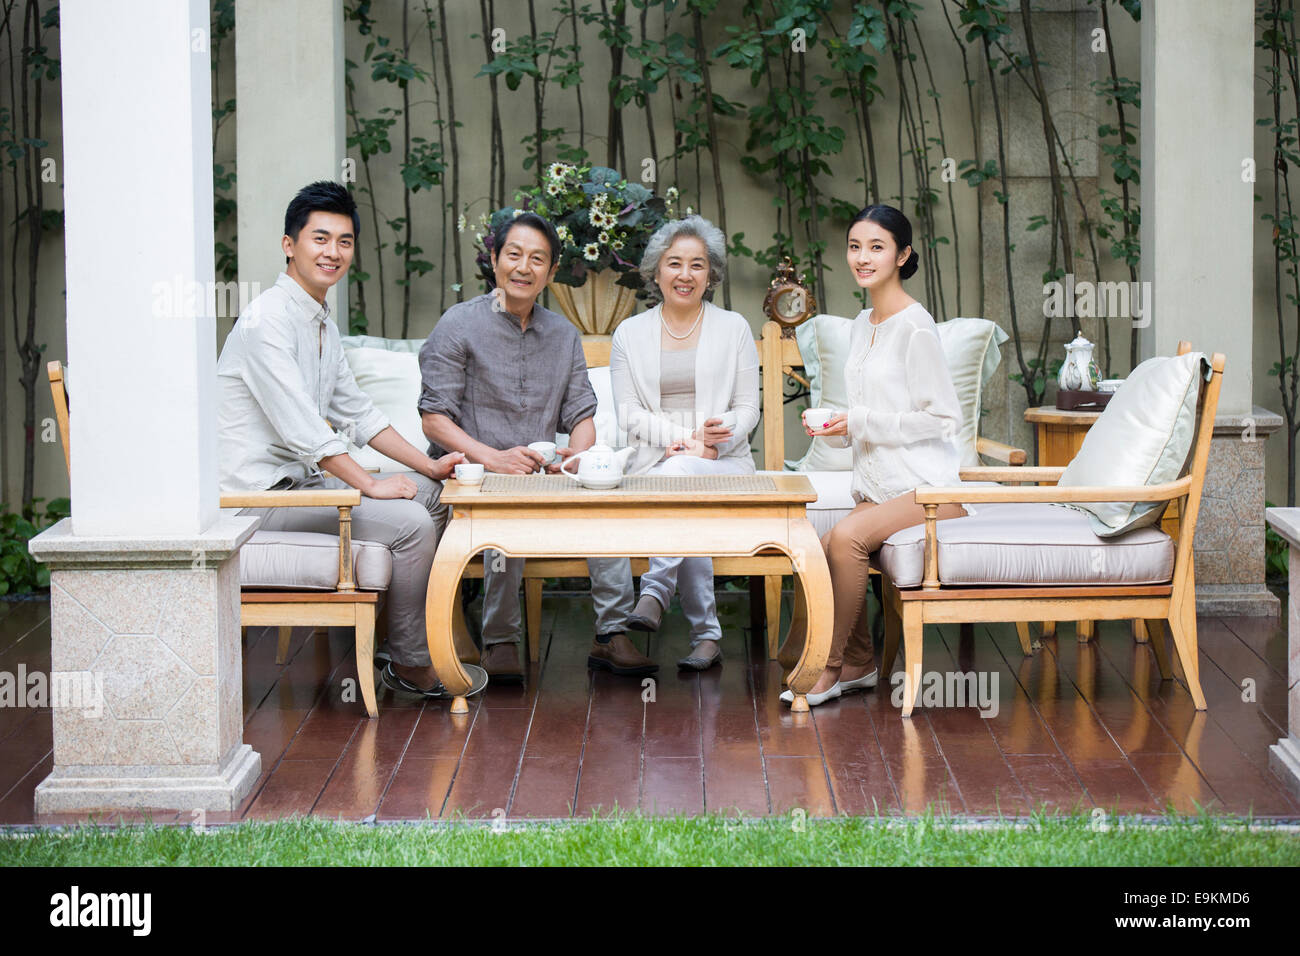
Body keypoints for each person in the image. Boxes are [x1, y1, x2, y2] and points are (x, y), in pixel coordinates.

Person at [217, 181, 486, 701]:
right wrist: (369, 484)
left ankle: (397, 640)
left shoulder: (318, 322)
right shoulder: (267, 321)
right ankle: (410, 660)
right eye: (320, 238)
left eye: (343, 241)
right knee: (408, 524)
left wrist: (426, 468)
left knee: (435, 497)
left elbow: (357, 413)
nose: (332, 252)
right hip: (256, 499)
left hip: (301, 487)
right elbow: (305, 430)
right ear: (289, 244)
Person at [418, 211, 655, 682]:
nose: (524, 267)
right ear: (494, 259)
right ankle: (501, 640)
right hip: (474, 476)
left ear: (550, 271)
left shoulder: (563, 334)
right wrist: (493, 458)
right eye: (514, 255)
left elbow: (581, 417)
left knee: (602, 498)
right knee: (508, 515)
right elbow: (434, 419)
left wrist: (577, 456)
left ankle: (611, 635)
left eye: (537, 259)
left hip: (545, 477)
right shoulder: (459, 324)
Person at [781, 204, 967, 708]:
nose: (862, 258)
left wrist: (860, 422)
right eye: (855, 246)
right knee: (817, 542)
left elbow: (943, 420)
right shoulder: (863, 323)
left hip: (929, 489)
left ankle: (831, 665)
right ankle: (862, 661)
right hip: (882, 486)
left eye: (877, 247)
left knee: (845, 538)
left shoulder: (916, 327)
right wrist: (840, 427)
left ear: (903, 255)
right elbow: (869, 413)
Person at [611, 216, 759, 670]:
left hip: (725, 466)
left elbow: (748, 408)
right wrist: (688, 440)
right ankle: (707, 637)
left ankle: (655, 590)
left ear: (710, 275)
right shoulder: (628, 334)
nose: (685, 274)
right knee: (681, 494)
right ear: (656, 271)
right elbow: (628, 414)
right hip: (654, 468)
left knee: (679, 479)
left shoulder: (733, 328)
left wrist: (714, 445)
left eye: (698, 265)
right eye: (674, 263)